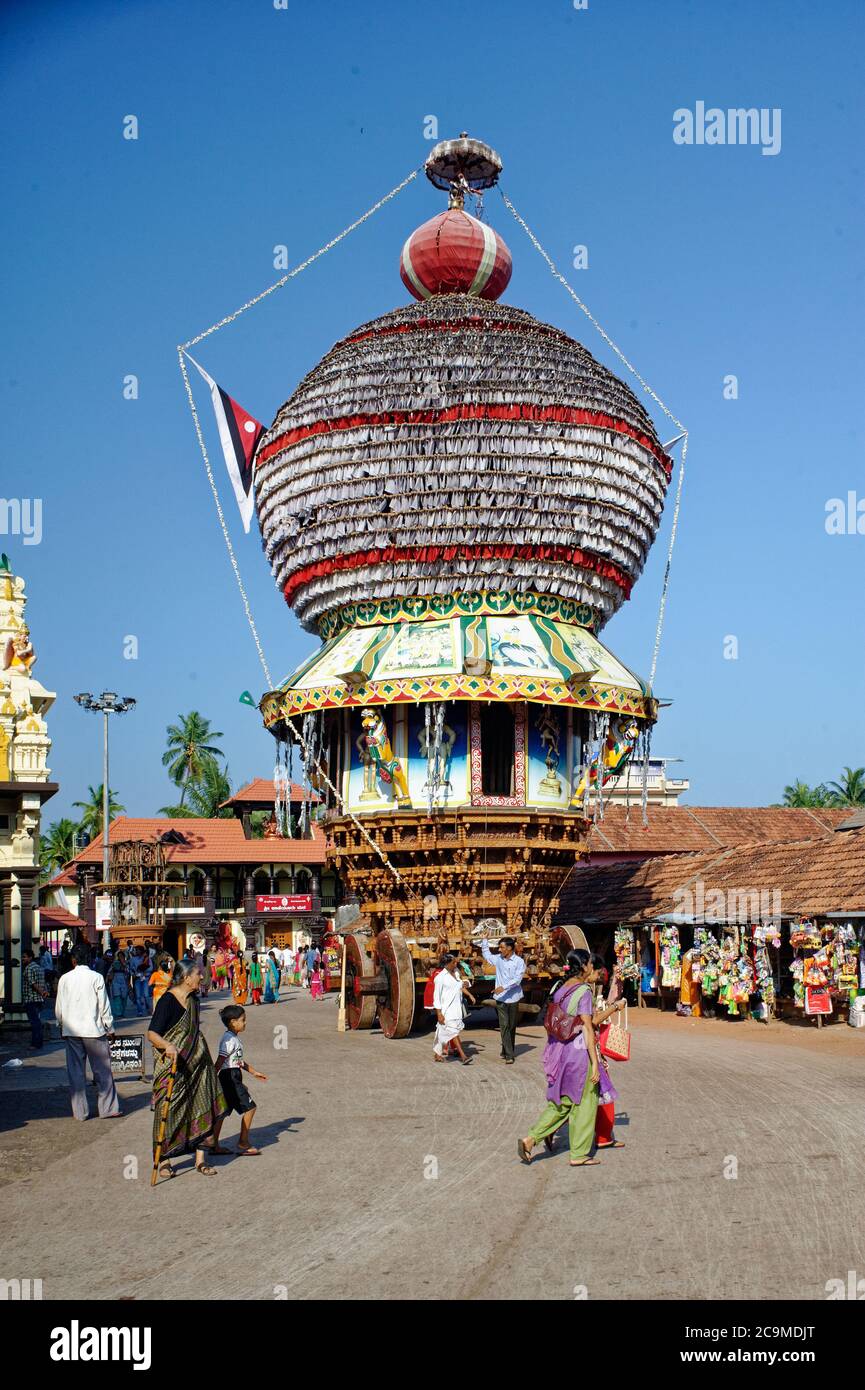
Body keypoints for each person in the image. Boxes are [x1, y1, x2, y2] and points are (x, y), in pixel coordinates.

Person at [518, 949, 614, 1168]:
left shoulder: (561, 987)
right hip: (579, 1053)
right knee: (585, 1103)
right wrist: (595, 1064)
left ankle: (531, 1138)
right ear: (584, 966)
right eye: (590, 963)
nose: (592, 966)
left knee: (563, 1102)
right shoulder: (584, 991)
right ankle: (579, 1153)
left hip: (561, 1051)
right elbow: (588, 1028)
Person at [146, 958, 228, 1180]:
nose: (201, 977)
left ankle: (201, 1159)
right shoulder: (167, 1001)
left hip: (198, 1062)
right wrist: (167, 1045)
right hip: (172, 1065)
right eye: (197, 974)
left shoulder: (194, 1000)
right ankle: (163, 1159)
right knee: (168, 1110)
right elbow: (152, 1033)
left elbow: (192, 1029)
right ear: (185, 978)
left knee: (202, 1105)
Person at [54, 943, 120, 1121]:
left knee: (75, 1072)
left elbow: (59, 1008)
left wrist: (61, 1024)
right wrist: (110, 1027)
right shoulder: (96, 977)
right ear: (89, 959)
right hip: (94, 1030)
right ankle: (107, 1109)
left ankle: (80, 1113)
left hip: (71, 1031)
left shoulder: (64, 979)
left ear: (73, 960)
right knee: (102, 1071)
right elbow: (104, 1005)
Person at [212, 1004, 267, 1155]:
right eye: (243, 1020)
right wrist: (210, 1078)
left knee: (222, 1113)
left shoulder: (233, 1038)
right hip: (230, 1078)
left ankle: (213, 1145)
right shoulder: (229, 1040)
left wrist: (254, 1072)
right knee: (251, 1108)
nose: (245, 1022)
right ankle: (243, 1142)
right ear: (233, 1022)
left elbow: (238, 1061)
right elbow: (220, 1061)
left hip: (231, 1076)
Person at [479, 934, 526, 1065]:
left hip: (514, 998)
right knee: (504, 1025)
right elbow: (487, 956)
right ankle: (510, 1055)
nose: (500, 950)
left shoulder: (519, 962)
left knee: (511, 1026)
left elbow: (517, 980)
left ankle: (505, 1049)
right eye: (499, 947)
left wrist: (503, 987)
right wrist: (484, 941)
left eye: (502, 947)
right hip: (500, 999)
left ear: (510, 948)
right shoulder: (498, 959)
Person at [432, 953, 474, 1064]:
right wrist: (439, 1013)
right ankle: (463, 1056)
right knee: (453, 1032)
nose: (456, 964)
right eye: (453, 962)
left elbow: (461, 984)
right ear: (447, 963)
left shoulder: (455, 973)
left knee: (442, 1032)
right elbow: (436, 997)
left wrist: (466, 984)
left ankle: (437, 1054)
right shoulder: (440, 978)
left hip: (456, 1009)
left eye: (456, 962)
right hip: (446, 1010)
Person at [21, 947, 48, 1049]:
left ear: (30, 957)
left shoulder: (28, 968)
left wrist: (41, 991)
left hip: (31, 999)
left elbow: (33, 984)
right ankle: (38, 1043)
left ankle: (35, 1044)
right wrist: (44, 992)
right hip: (39, 1000)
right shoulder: (39, 967)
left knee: (34, 1022)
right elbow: (42, 982)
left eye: (24, 957)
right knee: (37, 1021)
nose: (22, 959)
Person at [108, 950, 130, 1018]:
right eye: (119, 956)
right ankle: (118, 1013)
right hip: (116, 981)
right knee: (117, 996)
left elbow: (129, 972)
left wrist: (124, 964)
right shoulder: (115, 963)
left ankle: (122, 1011)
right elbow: (110, 971)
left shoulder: (127, 963)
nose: (120, 957)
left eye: (122, 956)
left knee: (124, 997)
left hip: (124, 981)